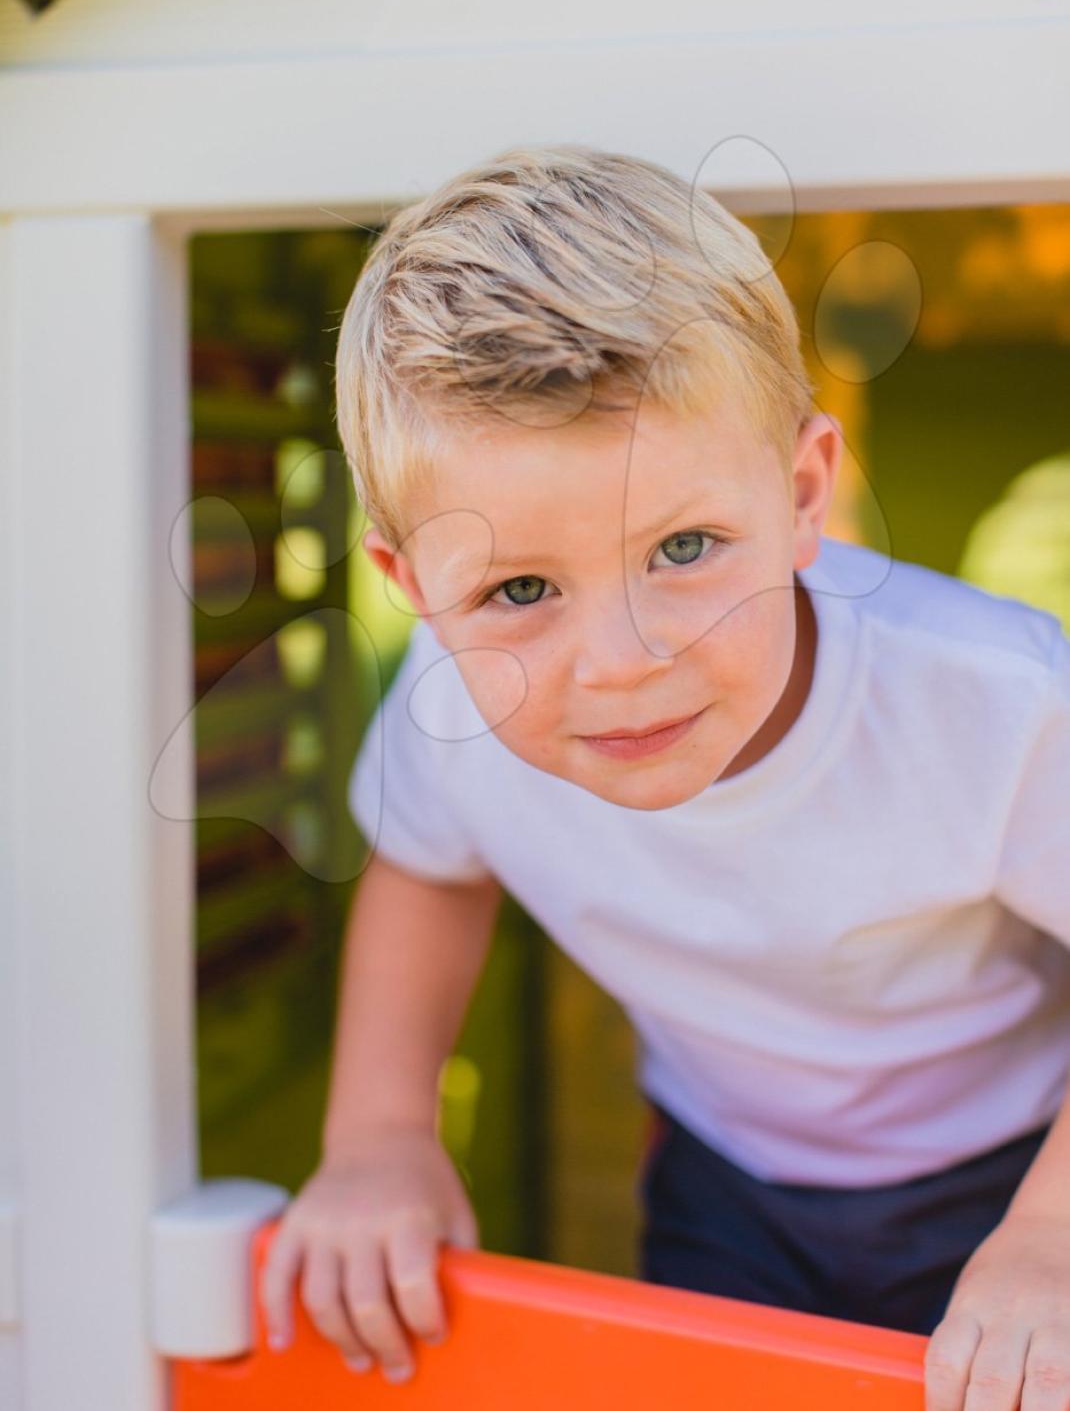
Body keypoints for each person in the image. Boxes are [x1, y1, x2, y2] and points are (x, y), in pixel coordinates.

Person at [259, 144, 1070, 1409]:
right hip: (723, 1171)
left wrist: (1049, 1242)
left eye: (683, 547)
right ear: (414, 593)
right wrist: (376, 1138)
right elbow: (427, 870)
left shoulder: (995, 703)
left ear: (801, 494)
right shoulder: (449, 718)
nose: (621, 664)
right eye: (518, 589)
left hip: (1016, 1163)